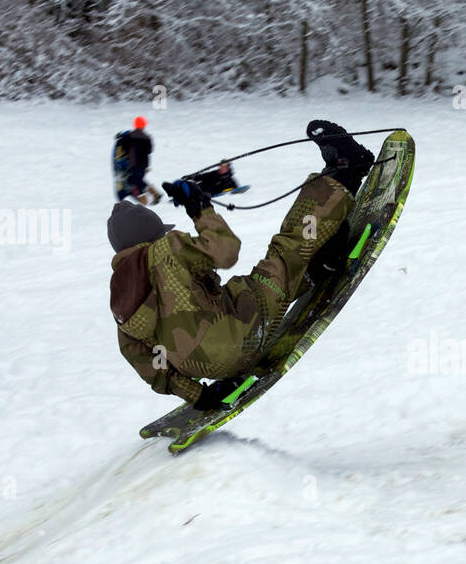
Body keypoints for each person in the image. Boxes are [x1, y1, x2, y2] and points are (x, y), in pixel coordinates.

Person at [108, 120, 374, 411]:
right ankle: (347, 171)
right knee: (284, 253)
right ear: (150, 237)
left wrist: (199, 395)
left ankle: (319, 267)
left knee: (254, 287)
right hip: (240, 334)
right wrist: (200, 209)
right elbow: (226, 251)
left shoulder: (121, 301)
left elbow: (148, 364)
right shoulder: (165, 250)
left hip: (214, 367)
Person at [115, 116, 161, 204]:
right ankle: (155, 193)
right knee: (139, 180)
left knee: (135, 182)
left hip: (134, 163)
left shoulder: (129, 136)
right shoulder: (147, 137)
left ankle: (145, 201)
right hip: (144, 164)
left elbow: (123, 147)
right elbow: (150, 150)